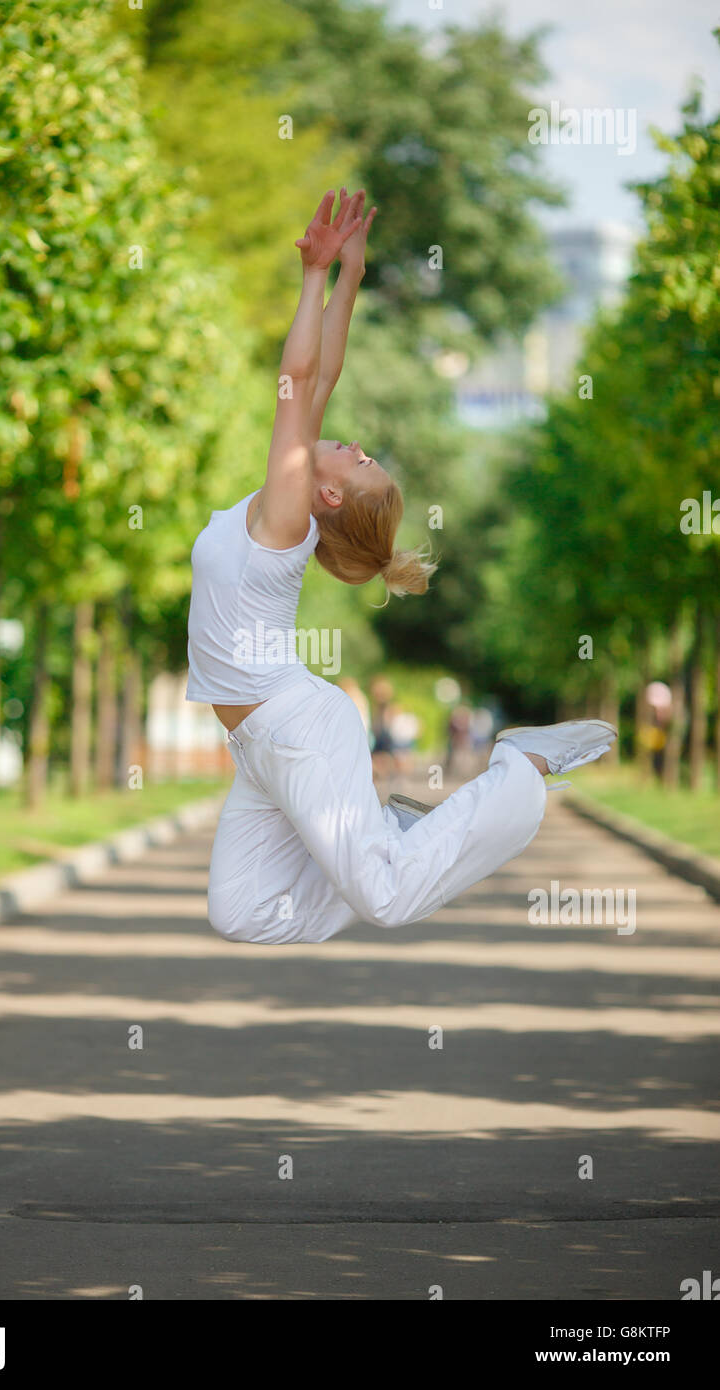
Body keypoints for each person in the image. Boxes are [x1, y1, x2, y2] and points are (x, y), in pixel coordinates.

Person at [185, 189, 617, 945]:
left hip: (297, 730)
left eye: (361, 464)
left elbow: (296, 379)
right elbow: (322, 379)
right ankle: (382, 829)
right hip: (260, 741)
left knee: (384, 898)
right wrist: (351, 274)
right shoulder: (278, 502)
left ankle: (516, 767)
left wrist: (314, 276)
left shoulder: (285, 519)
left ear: (326, 495)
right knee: (242, 911)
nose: (354, 447)